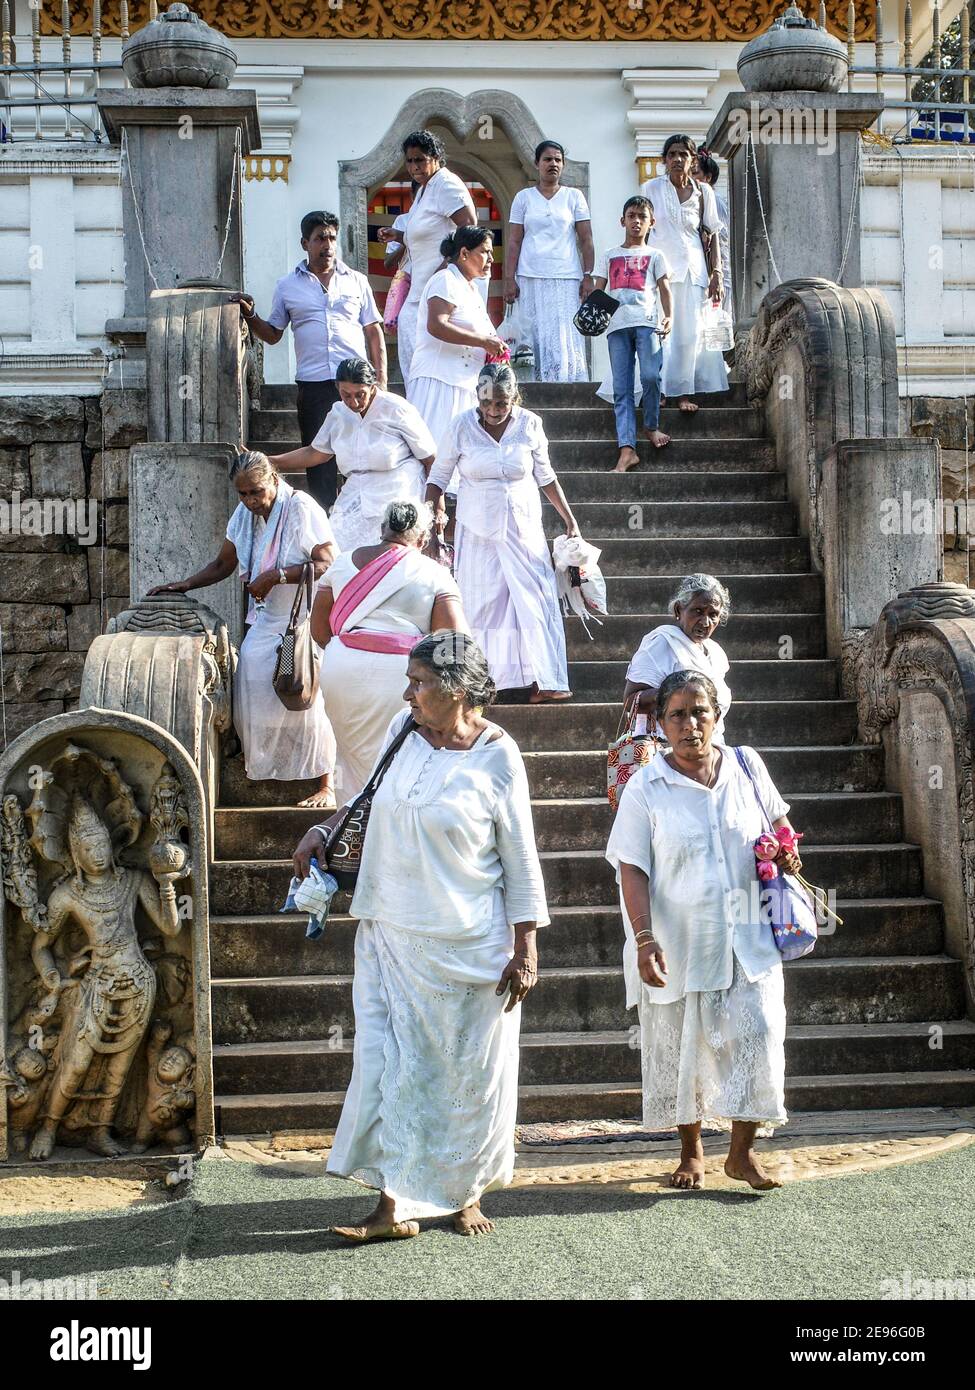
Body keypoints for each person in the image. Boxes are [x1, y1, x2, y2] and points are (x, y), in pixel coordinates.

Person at [291, 632, 549, 1240]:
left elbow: (521, 858)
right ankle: (391, 1206)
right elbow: (367, 799)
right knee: (389, 1067)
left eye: (420, 682)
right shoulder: (402, 731)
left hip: (467, 944)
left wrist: (526, 948)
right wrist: (324, 829)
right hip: (388, 932)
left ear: (458, 692)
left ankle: (464, 1195)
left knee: (466, 1077)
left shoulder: (497, 755)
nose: (408, 692)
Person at [606, 669, 803, 1191]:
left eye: (700, 712)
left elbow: (779, 822)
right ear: (662, 722)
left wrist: (785, 845)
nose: (690, 724)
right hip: (678, 939)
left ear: (718, 715)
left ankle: (741, 1153)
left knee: (759, 1033)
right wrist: (644, 938)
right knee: (680, 1044)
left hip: (746, 932)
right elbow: (631, 866)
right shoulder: (646, 785)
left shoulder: (746, 764)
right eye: (677, 714)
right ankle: (690, 1151)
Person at [148, 451, 339, 808]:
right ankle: (268, 770)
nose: (251, 500)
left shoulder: (301, 507)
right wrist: (184, 585)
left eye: (256, 491)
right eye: (243, 494)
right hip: (266, 617)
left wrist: (277, 575)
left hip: (300, 616)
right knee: (251, 683)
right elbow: (224, 562)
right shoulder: (245, 515)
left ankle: (325, 783)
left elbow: (327, 561)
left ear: (274, 480)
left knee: (305, 694)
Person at [425, 363, 576, 702]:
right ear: (478, 398)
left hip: (523, 527)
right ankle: (482, 680)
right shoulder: (461, 426)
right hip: (478, 530)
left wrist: (569, 518)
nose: (493, 411)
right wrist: (434, 515)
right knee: (482, 603)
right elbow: (436, 479)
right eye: (487, 403)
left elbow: (546, 476)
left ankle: (545, 680)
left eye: (501, 404)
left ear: (514, 398)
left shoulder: (530, 424)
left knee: (534, 599)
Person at [310, 499, 469, 799]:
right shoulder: (434, 573)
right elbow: (455, 642)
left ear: (383, 529)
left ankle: (354, 829)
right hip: (403, 676)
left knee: (353, 760)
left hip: (341, 672)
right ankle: (393, 826)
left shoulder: (341, 564)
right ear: (422, 539)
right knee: (399, 759)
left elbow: (320, 632)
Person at [233, 211, 386, 510]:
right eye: (319, 239)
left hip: (357, 385)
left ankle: (365, 515)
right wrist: (250, 314)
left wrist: (380, 380)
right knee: (319, 462)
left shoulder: (357, 281)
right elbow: (274, 334)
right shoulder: (288, 286)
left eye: (331, 238)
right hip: (314, 384)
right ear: (305, 243)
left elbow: (374, 332)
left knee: (364, 452)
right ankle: (326, 524)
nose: (327, 245)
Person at [267, 357, 436, 553]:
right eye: (346, 395)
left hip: (398, 488)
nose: (353, 402)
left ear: (372, 387)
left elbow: (430, 458)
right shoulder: (338, 412)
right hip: (357, 489)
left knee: (388, 552)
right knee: (336, 545)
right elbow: (316, 453)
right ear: (337, 387)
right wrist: (270, 461)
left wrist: (435, 505)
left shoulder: (396, 408)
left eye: (360, 395)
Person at [641, 134, 727, 410]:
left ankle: (683, 393)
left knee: (689, 334)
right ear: (664, 160)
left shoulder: (704, 192)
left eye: (683, 155)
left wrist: (717, 273)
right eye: (672, 154)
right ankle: (660, 389)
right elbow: (641, 230)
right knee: (661, 331)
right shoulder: (650, 189)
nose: (678, 159)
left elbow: (712, 233)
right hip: (658, 270)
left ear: (692, 160)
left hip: (693, 269)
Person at [408, 227, 506, 462]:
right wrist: (483, 341)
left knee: (459, 456)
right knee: (435, 454)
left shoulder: (470, 287)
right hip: (440, 382)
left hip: (465, 383)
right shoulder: (445, 279)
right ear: (464, 253)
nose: (491, 259)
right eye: (485, 252)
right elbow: (436, 325)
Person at [593, 196, 674, 472]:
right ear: (622, 220)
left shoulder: (655, 256)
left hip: (648, 322)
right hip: (616, 327)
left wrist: (669, 316)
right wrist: (591, 315)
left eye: (642, 216)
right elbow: (598, 291)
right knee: (622, 388)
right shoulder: (609, 255)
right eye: (631, 215)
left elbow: (664, 289)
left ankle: (651, 425)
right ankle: (627, 450)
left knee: (651, 375)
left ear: (651, 222)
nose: (636, 220)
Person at [503, 140, 593, 383]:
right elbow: (513, 242)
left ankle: (565, 382)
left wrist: (588, 276)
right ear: (536, 164)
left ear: (563, 165)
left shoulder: (574, 197)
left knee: (562, 333)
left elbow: (586, 239)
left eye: (558, 159)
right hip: (529, 276)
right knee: (533, 333)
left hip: (566, 277)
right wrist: (509, 279)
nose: (553, 164)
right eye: (547, 159)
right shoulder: (523, 198)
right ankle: (533, 383)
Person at [395, 130, 477, 390]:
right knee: (415, 368)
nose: (414, 167)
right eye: (409, 161)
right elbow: (427, 232)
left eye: (420, 159)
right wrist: (398, 235)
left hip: (438, 292)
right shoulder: (424, 189)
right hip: (419, 290)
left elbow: (468, 227)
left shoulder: (445, 183)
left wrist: (446, 270)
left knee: (428, 371)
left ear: (436, 157)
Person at [624, 574, 732, 742]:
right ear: (679, 610)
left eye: (713, 614)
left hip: (709, 748)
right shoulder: (662, 642)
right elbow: (630, 701)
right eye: (698, 611)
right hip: (668, 749)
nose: (705, 622)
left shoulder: (716, 653)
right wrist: (675, 695)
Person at [694, 147, 732, 317]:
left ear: (707, 178)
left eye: (695, 174)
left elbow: (722, 238)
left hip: (719, 269)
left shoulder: (715, 201)